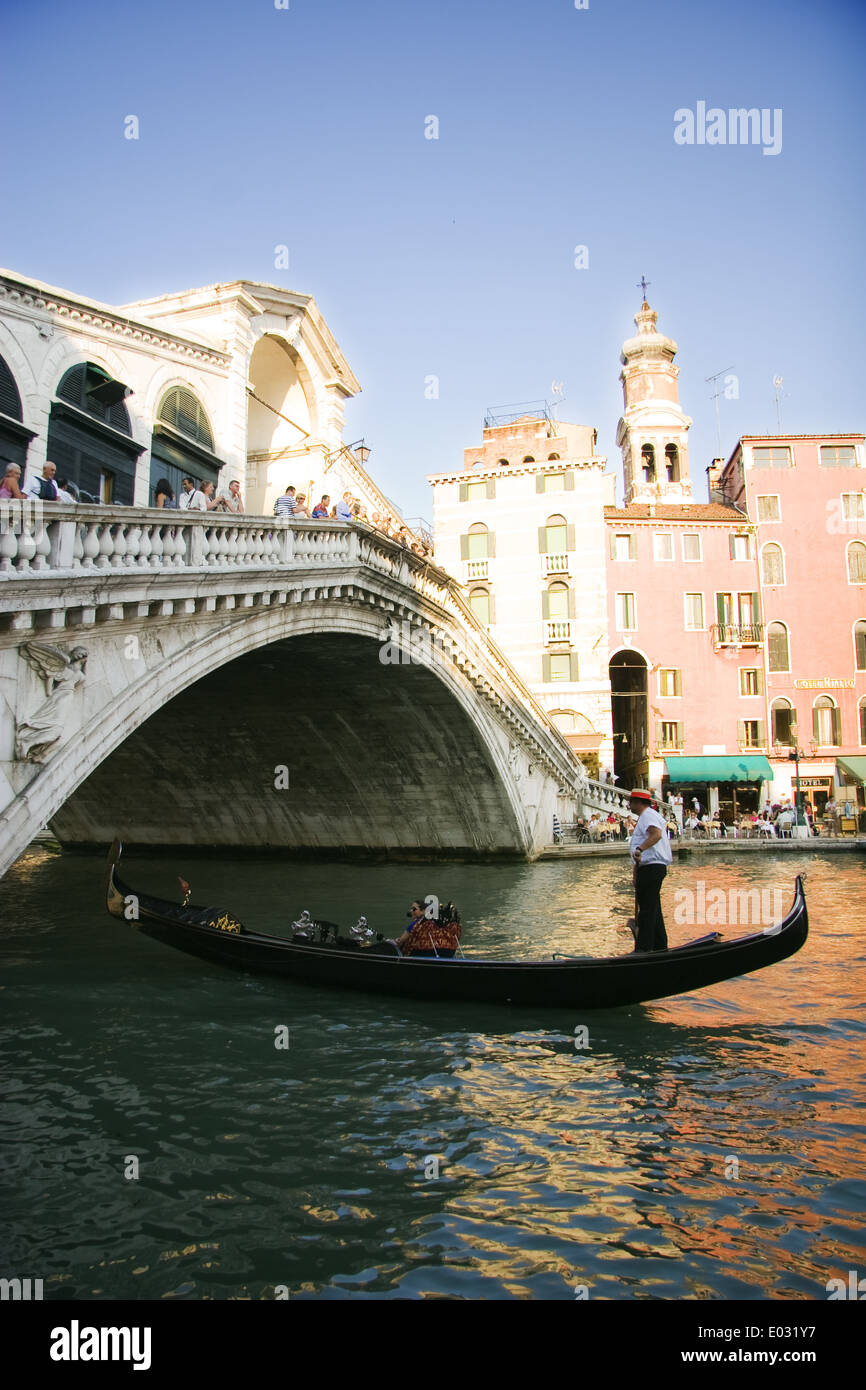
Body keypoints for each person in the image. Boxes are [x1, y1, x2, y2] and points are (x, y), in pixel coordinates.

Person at [628, 787, 672, 953]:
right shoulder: (646, 816)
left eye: (631, 801)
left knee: (646, 909)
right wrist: (635, 874)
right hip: (648, 868)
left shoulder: (648, 815)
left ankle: (643, 949)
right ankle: (660, 946)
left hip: (652, 868)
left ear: (638, 802)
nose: (629, 804)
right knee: (653, 909)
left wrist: (640, 848)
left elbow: (656, 834)